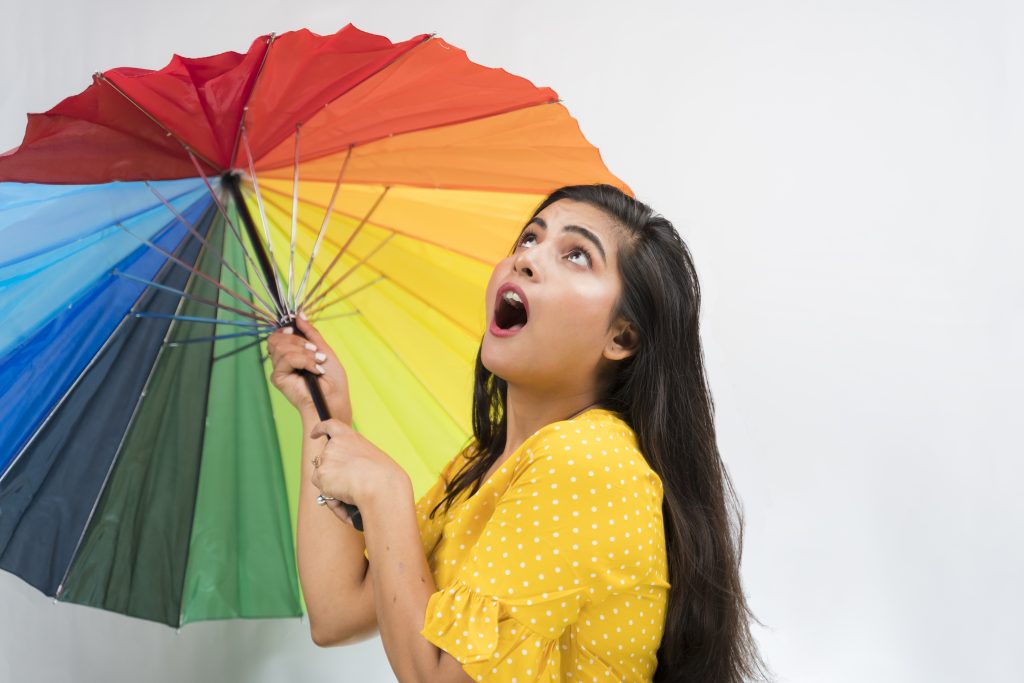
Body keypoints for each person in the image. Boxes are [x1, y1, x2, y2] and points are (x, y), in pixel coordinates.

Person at [267, 184, 773, 682]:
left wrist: (385, 493)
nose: (526, 259)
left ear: (621, 337)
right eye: (529, 238)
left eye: (577, 256)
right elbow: (337, 612)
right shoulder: (483, 467)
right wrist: (324, 415)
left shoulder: (590, 459)